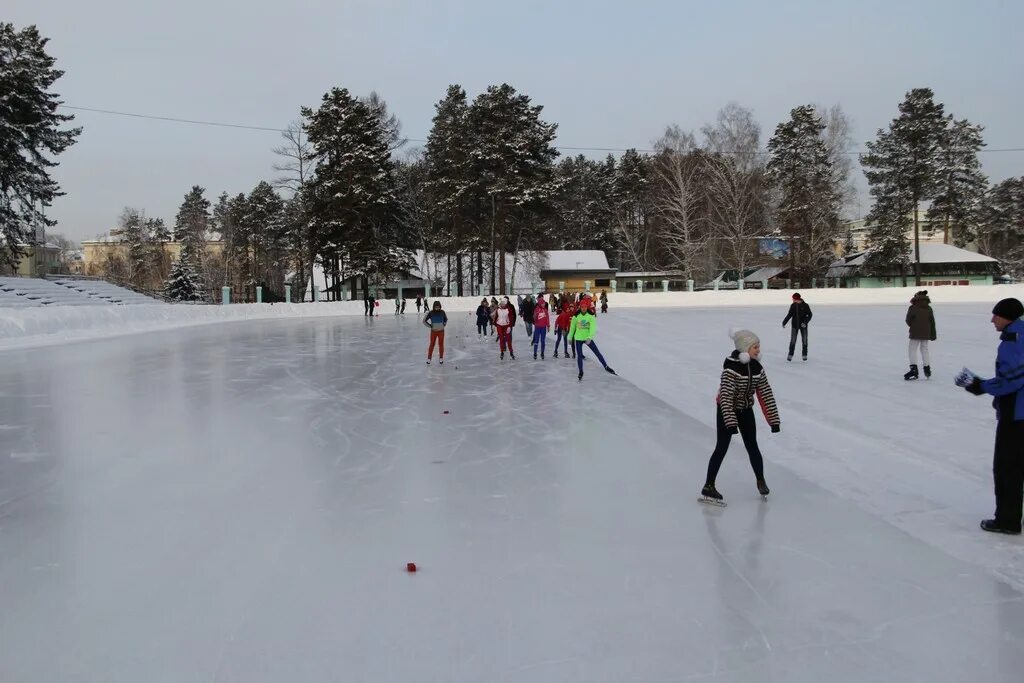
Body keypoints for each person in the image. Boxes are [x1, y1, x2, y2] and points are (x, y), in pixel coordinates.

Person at [955, 298, 1024, 535]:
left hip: (1017, 415)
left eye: (996, 315)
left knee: (1007, 468)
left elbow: (1013, 380)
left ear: (1008, 317)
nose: (992, 319)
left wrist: (981, 386)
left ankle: (1007, 520)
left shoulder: (1014, 341)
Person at [701, 329, 781, 505]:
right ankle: (709, 485)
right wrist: (730, 422)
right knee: (721, 447)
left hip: (745, 410)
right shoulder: (731, 369)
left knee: (752, 446)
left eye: (758, 346)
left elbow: (765, 393)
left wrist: (773, 420)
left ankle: (760, 480)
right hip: (726, 409)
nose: (758, 350)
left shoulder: (757, 367)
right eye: (755, 347)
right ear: (745, 348)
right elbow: (726, 397)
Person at [568, 297, 616, 381]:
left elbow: (593, 328)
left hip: (587, 338)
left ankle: (606, 366)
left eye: (585, 307)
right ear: (580, 307)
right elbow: (572, 328)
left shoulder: (590, 316)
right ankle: (581, 371)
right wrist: (569, 337)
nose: (583, 308)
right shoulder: (576, 316)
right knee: (579, 356)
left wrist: (590, 337)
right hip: (578, 338)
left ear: (587, 307)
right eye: (582, 307)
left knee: (597, 352)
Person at [905, 290, 937, 380]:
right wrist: (933, 334)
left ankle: (914, 369)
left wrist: (914, 325)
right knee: (924, 349)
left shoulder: (913, 307)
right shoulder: (929, 308)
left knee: (912, 349)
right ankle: (927, 369)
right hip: (926, 333)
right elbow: (932, 322)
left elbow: (908, 320)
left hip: (915, 332)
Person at [782, 293, 813, 361]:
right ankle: (790, 354)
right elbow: (789, 314)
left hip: (803, 326)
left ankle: (804, 355)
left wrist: (805, 322)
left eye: (793, 298)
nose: (792, 299)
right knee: (793, 340)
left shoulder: (805, 305)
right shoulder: (793, 305)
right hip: (794, 325)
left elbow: (810, 314)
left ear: (797, 299)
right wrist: (784, 322)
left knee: (804, 340)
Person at [423, 301, 448, 365]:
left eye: (438, 307)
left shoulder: (442, 312)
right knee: (432, 344)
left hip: (441, 331)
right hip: (433, 332)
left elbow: (446, 319)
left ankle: (441, 358)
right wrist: (430, 326)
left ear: (440, 306)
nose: (437, 308)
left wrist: (444, 324)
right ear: (434, 307)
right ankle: (429, 358)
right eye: (436, 307)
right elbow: (424, 321)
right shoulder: (431, 313)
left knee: (441, 344)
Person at [532, 295, 550, 360]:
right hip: (537, 327)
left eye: (544, 303)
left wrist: (548, 326)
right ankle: (535, 353)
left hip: (543, 328)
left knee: (543, 341)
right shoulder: (536, 309)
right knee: (536, 341)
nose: (544, 304)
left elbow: (547, 318)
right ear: (540, 303)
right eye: (542, 303)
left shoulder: (545, 310)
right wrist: (536, 314)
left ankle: (542, 353)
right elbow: (534, 319)